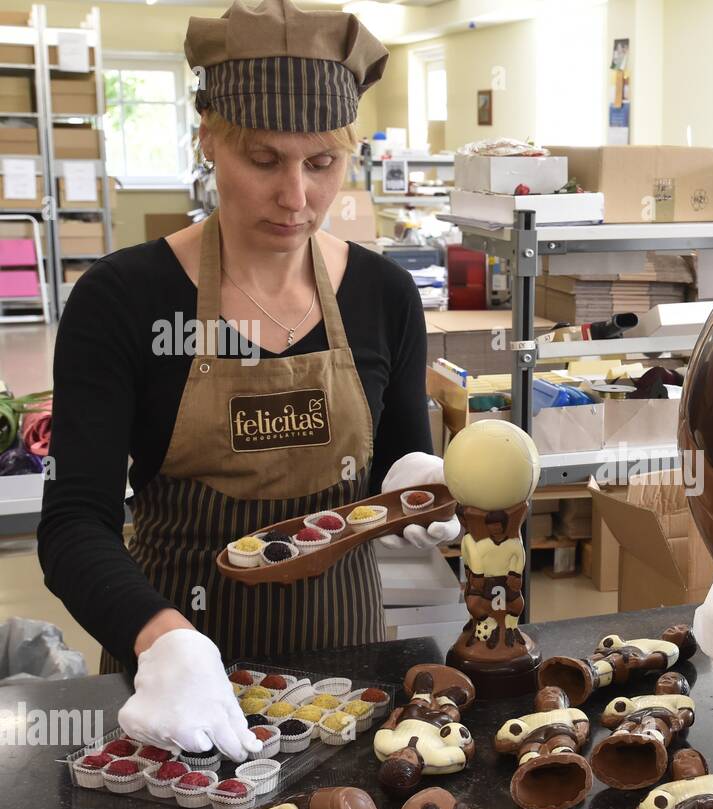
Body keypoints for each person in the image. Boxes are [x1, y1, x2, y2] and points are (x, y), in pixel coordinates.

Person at [38, 0, 458, 762]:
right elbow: (72, 526)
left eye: (322, 164)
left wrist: (416, 481)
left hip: (345, 676)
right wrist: (161, 641)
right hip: (173, 680)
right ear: (208, 138)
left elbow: (398, 458)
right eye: (263, 160)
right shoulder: (124, 298)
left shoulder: (383, 296)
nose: (295, 196)